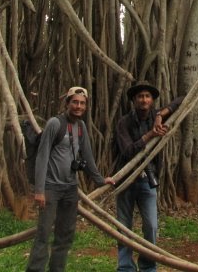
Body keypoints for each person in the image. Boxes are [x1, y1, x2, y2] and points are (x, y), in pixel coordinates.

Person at [25, 86, 113, 272]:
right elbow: (42, 156)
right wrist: (39, 190)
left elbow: (88, 157)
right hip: (51, 188)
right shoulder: (55, 124)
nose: (78, 106)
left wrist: (100, 180)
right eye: (75, 102)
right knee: (43, 234)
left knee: (64, 235)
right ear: (67, 103)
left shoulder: (81, 127)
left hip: (70, 189)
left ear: (86, 106)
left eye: (82, 103)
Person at [114, 82, 183, 272]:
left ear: (152, 101)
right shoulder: (124, 123)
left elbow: (181, 100)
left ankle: (147, 266)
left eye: (147, 96)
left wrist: (161, 115)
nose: (144, 100)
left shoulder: (156, 116)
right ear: (134, 101)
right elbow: (128, 151)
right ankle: (126, 267)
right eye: (140, 96)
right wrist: (151, 134)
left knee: (151, 226)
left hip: (147, 180)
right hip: (126, 179)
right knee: (123, 227)